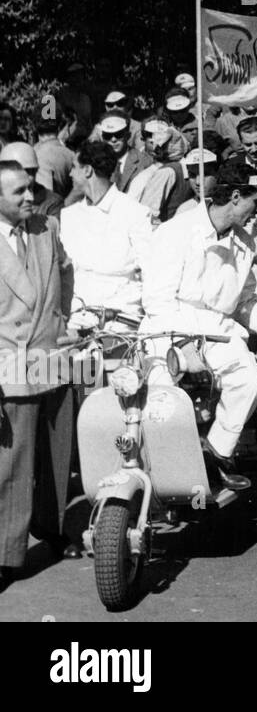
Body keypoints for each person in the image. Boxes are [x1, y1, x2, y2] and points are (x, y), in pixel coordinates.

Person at [142, 163, 257, 492]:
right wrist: (185, 345)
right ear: (235, 197)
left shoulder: (247, 243)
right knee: (165, 397)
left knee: (250, 381)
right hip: (169, 325)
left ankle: (215, 455)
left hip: (218, 329)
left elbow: (245, 302)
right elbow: (158, 300)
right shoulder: (176, 231)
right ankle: (163, 473)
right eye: (254, 203)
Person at [0, 159, 77, 587]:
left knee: (55, 457)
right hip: (9, 365)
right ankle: (7, 555)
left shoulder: (47, 230)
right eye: (19, 193)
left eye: (31, 188)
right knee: (11, 464)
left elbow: (66, 274)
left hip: (52, 357)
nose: (31, 197)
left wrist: (63, 321)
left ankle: (53, 527)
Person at [59, 142, 153, 322]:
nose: (70, 173)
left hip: (121, 321)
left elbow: (151, 272)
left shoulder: (135, 213)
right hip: (75, 318)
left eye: (73, 167)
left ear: (87, 170)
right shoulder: (69, 216)